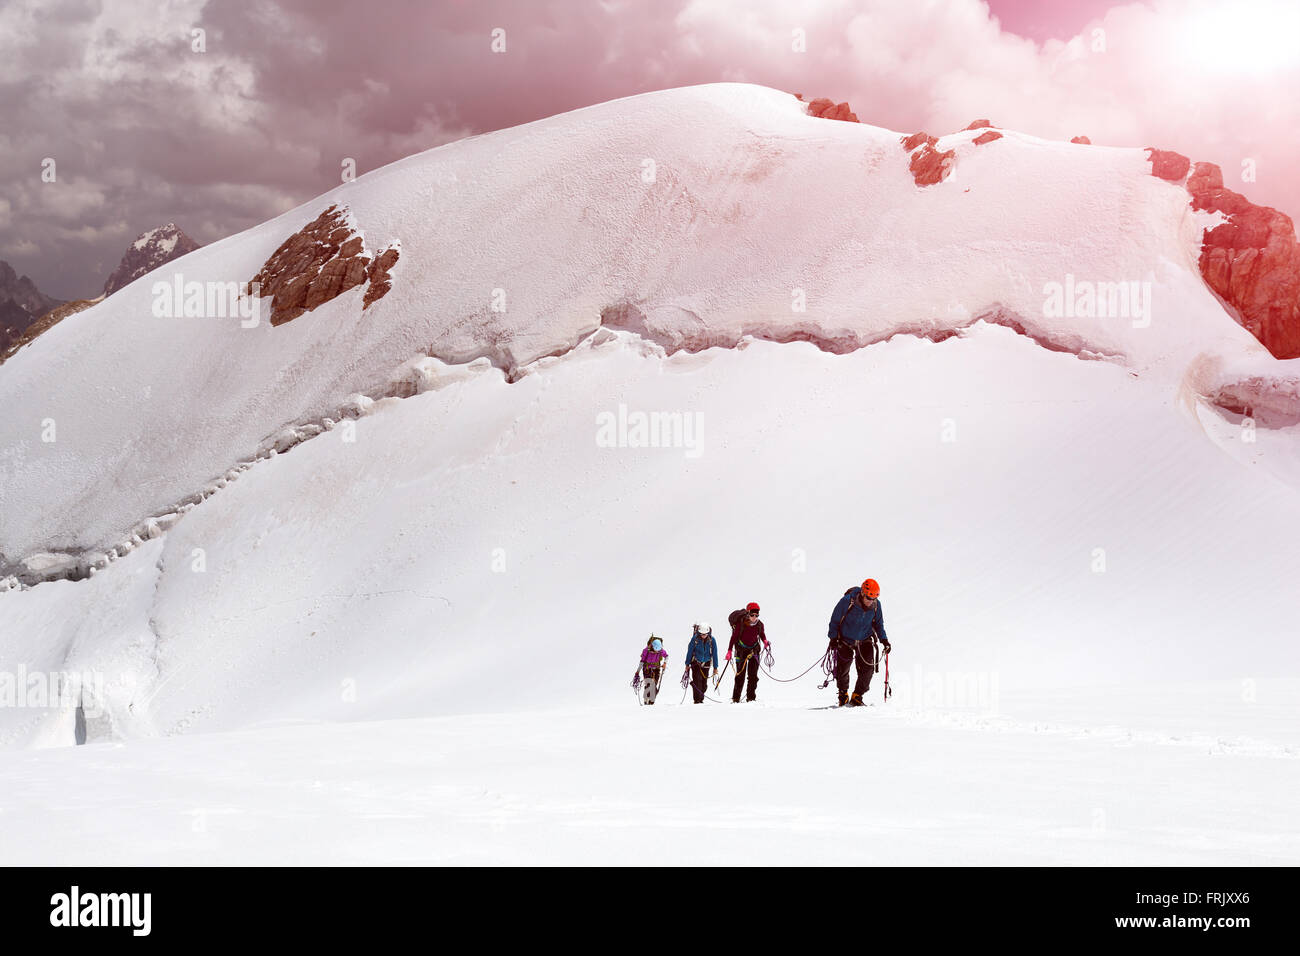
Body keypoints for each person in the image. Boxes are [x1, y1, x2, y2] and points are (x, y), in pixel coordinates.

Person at [827, 579, 891, 706]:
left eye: (873, 598)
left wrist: (884, 640)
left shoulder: (876, 605)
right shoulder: (847, 601)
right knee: (842, 669)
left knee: (868, 670)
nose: (871, 601)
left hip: (865, 639)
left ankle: (857, 696)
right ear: (862, 593)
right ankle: (843, 694)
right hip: (845, 639)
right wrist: (833, 638)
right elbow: (835, 620)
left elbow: (879, 624)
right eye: (868, 597)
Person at [726, 602, 770, 703]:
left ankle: (751, 698)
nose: (754, 617)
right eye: (752, 615)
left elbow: (762, 634)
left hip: (754, 650)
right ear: (748, 613)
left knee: (753, 676)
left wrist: (765, 641)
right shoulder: (741, 624)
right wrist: (729, 651)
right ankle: (736, 698)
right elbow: (734, 638)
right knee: (740, 676)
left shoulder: (759, 624)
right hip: (741, 651)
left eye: (756, 615)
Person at [684, 623, 719, 704]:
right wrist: (687, 664)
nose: (703, 636)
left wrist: (715, 667)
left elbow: (715, 653)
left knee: (704, 683)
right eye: (702, 634)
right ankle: (697, 700)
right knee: (698, 681)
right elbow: (690, 651)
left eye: (705, 634)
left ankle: (700, 698)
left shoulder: (712, 640)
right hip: (695, 663)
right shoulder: (695, 639)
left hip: (706, 663)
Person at [639, 635, 669, 705]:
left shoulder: (660, 650)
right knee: (649, 684)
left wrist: (665, 663)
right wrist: (637, 672)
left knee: (654, 685)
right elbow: (642, 661)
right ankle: (646, 699)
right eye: (656, 650)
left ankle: (651, 701)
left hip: (656, 669)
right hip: (647, 669)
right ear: (652, 646)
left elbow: (667, 656)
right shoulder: (646, 650)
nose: (656, 652)